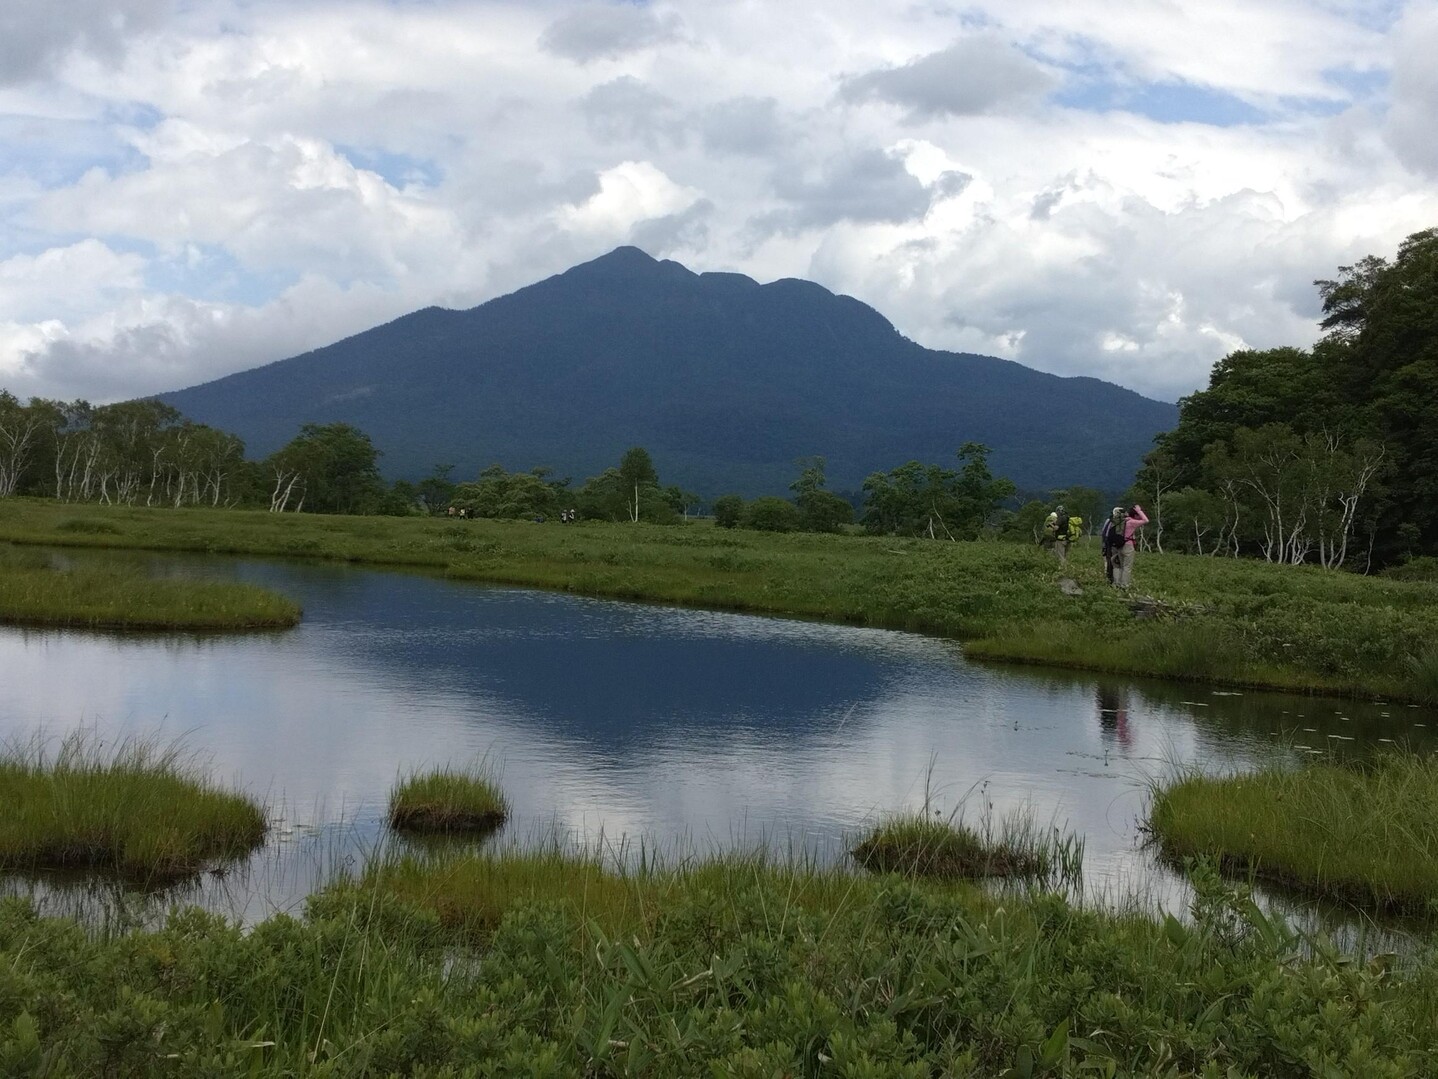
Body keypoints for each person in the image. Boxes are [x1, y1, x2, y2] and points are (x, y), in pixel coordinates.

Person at [1110, 503, 1149, 588]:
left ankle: (1117, 583)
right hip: (1128, 546)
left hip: (1120, 545)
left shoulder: (1124, 521)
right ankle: (1124, 585)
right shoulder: (1132, 522)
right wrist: (1139, 511)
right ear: (1135, 515)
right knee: (1127, 567)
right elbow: (1146, 520)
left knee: (1119, 565)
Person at [1099, 506, 1124, 583]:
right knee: (1119, 563)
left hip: (1109, 544)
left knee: (1109, 561)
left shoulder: (1109, 520)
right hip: (1122, 544)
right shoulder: (1125, 521)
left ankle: (1109, 578)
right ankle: (1119, 580)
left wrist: (1104, 544)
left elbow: (1104, 532)